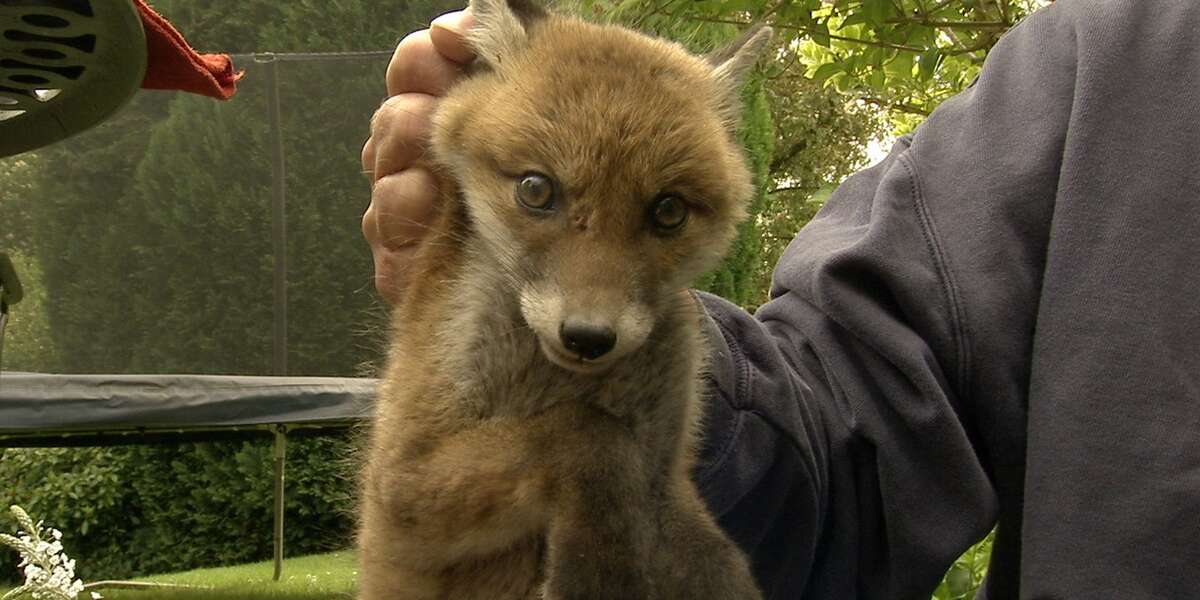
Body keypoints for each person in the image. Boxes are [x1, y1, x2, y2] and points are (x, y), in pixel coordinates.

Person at [360, 1, 1200, 597]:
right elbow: (847, 432)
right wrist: (621, 403)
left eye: (663, 215)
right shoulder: (1115, 68)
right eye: (539, 193)